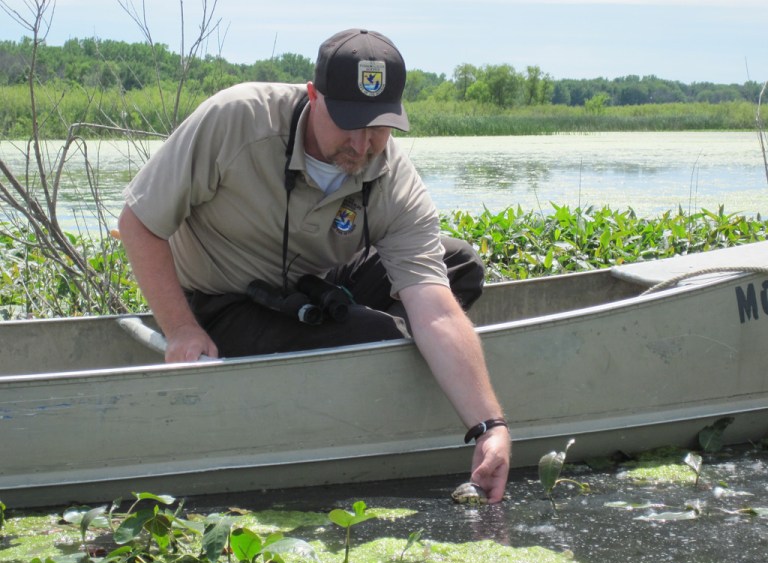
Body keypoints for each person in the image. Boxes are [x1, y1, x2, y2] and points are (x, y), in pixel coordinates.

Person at [118, 28, 511, 502]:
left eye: (379, 126)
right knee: (380, 336)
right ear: (313, 96)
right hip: (223, 302)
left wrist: (489, 426)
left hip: (314, 284)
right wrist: (179, 328)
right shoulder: (236, 119)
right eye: (348, 121)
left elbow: (438, 310)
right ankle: (374, 342)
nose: (362, 144)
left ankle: (383, 345)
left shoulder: (392, 176)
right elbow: (139, 222)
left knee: (459, 264)